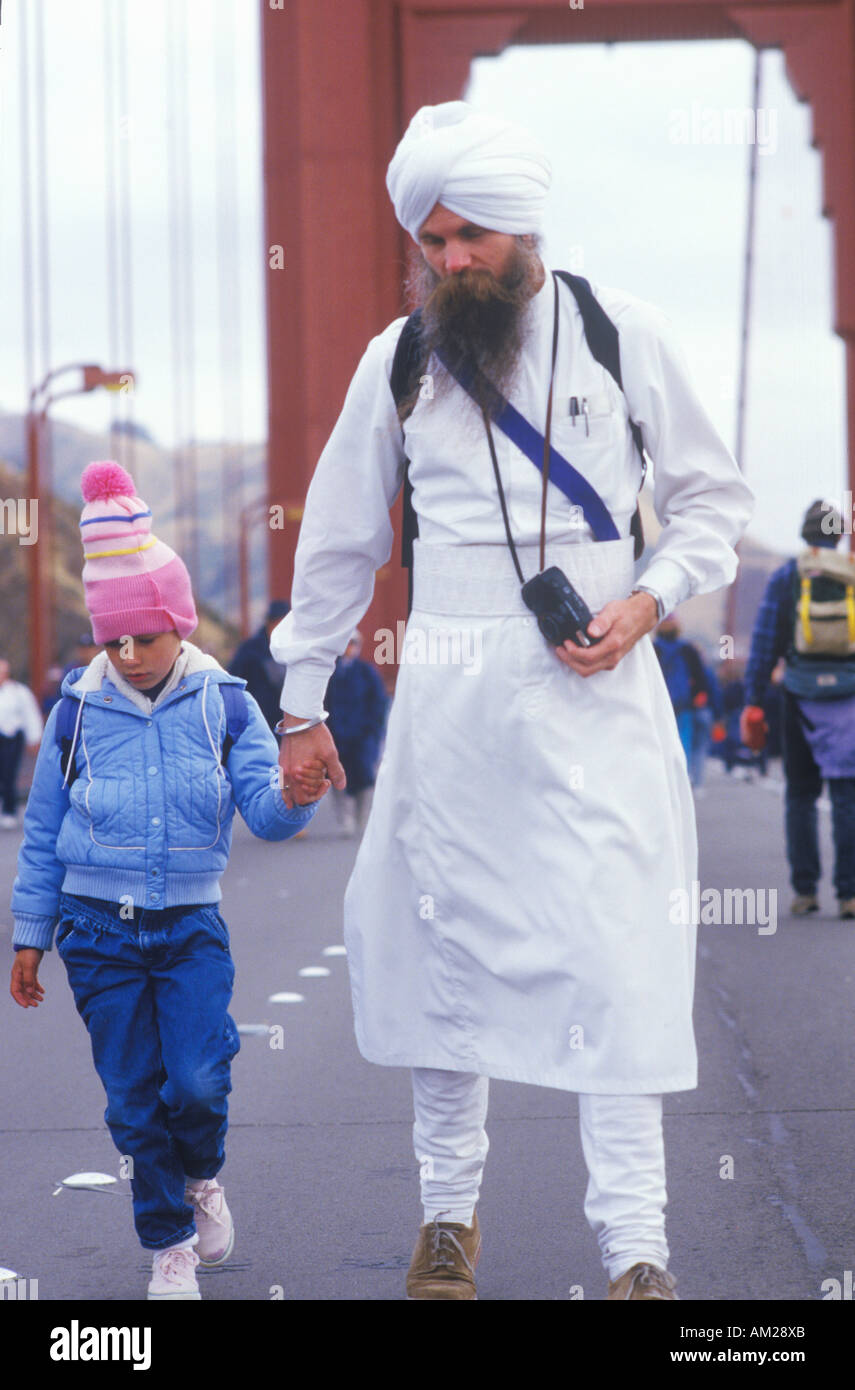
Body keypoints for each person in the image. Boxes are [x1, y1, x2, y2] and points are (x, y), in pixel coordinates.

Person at [271, 101, 754, 1300]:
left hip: (599, 685)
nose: (448, 262)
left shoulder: (621, 333)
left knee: (618, 957)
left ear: (522, 224)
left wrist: (646, 603)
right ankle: (447, 1225)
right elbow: (337, 541)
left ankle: (637, 1248)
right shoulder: (398, 359)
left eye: (466, 237)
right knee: (448, 954)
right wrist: (299, 699)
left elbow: (711, 506)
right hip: (447, 690)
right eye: (430, 243)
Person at [9, 461, 325, 1301]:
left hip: (189, 930)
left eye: (144, 636)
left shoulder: (226, 704)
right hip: (96, 930)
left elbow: (264, 811)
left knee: (194, 1080)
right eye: (114, 638)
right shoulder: (77, 710)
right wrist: (30, 937)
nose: (128, 653)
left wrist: (294, 799)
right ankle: (169, 1245)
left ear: (178, 624)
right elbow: (42, 833)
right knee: (133, 1099)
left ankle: (201, 1175)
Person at [742, 499, 855, 918]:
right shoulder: (851, 574)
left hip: (798, 695)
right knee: (847, 797)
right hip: (848, 699)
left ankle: (805, 891)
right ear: (838, 535)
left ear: (805, 535)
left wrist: (753, 699)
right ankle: (849, 894)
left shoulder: (788, 576)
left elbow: (765, 643)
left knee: (801, 796)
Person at [324, 630, 389, 835]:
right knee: (338, 778)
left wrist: (372, 729)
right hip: (337, 735)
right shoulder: (331, 673)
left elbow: (378, 703)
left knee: (363, 777)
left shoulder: (366, 672)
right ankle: (346, 819)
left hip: (362, 736)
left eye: (352, 643)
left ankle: (362, 818)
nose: (348, 648)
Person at [653, 617, 715, 791]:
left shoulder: (653, 648)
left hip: (660, 703)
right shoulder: (687, 649)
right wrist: (698, 697)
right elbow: (700, 676)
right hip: (684, 704)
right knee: (683, 740)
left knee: (660, 740)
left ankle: (663, 779)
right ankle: (683, 777)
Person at [228, 599, 291, 732]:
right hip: (258, 720)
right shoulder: (250, 650)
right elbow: (234, 680)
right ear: (270, 623)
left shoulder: (295, 649)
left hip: (287, 720)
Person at [0, 659, 43, 828]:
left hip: (12, 738)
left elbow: (30, 714)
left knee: (9, 774)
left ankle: (9, 810)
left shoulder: (18, 692)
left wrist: (34, 738)